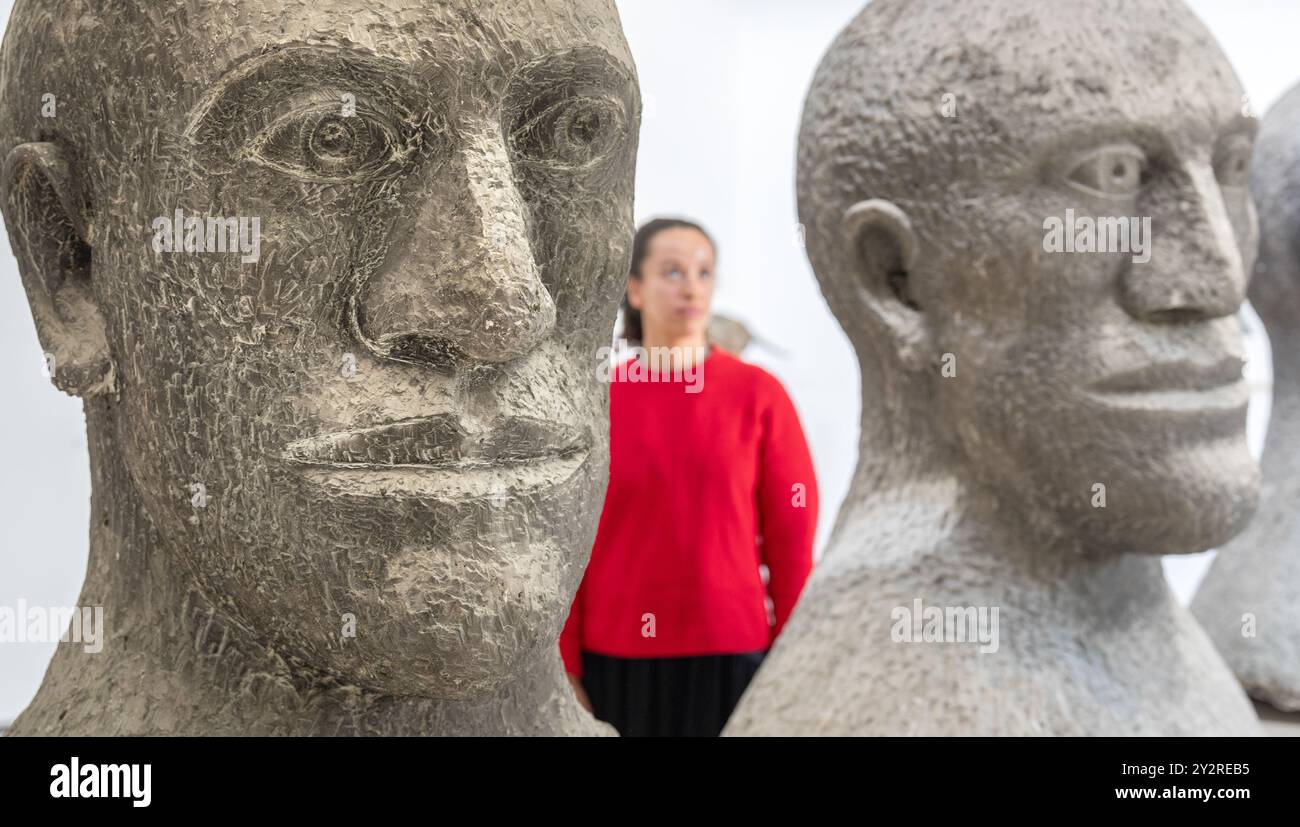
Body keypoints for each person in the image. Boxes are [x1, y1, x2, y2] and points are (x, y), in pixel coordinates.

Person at [560, 218, 819, 736]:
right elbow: (566, 542)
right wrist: (564, 660)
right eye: (672, 272)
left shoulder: (758, 395)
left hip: (734, 652)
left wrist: (795, 658)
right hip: (615, 655)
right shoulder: (596, 402)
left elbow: (793, 542)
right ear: (634, 288)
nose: (692, 286)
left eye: (703, 272)